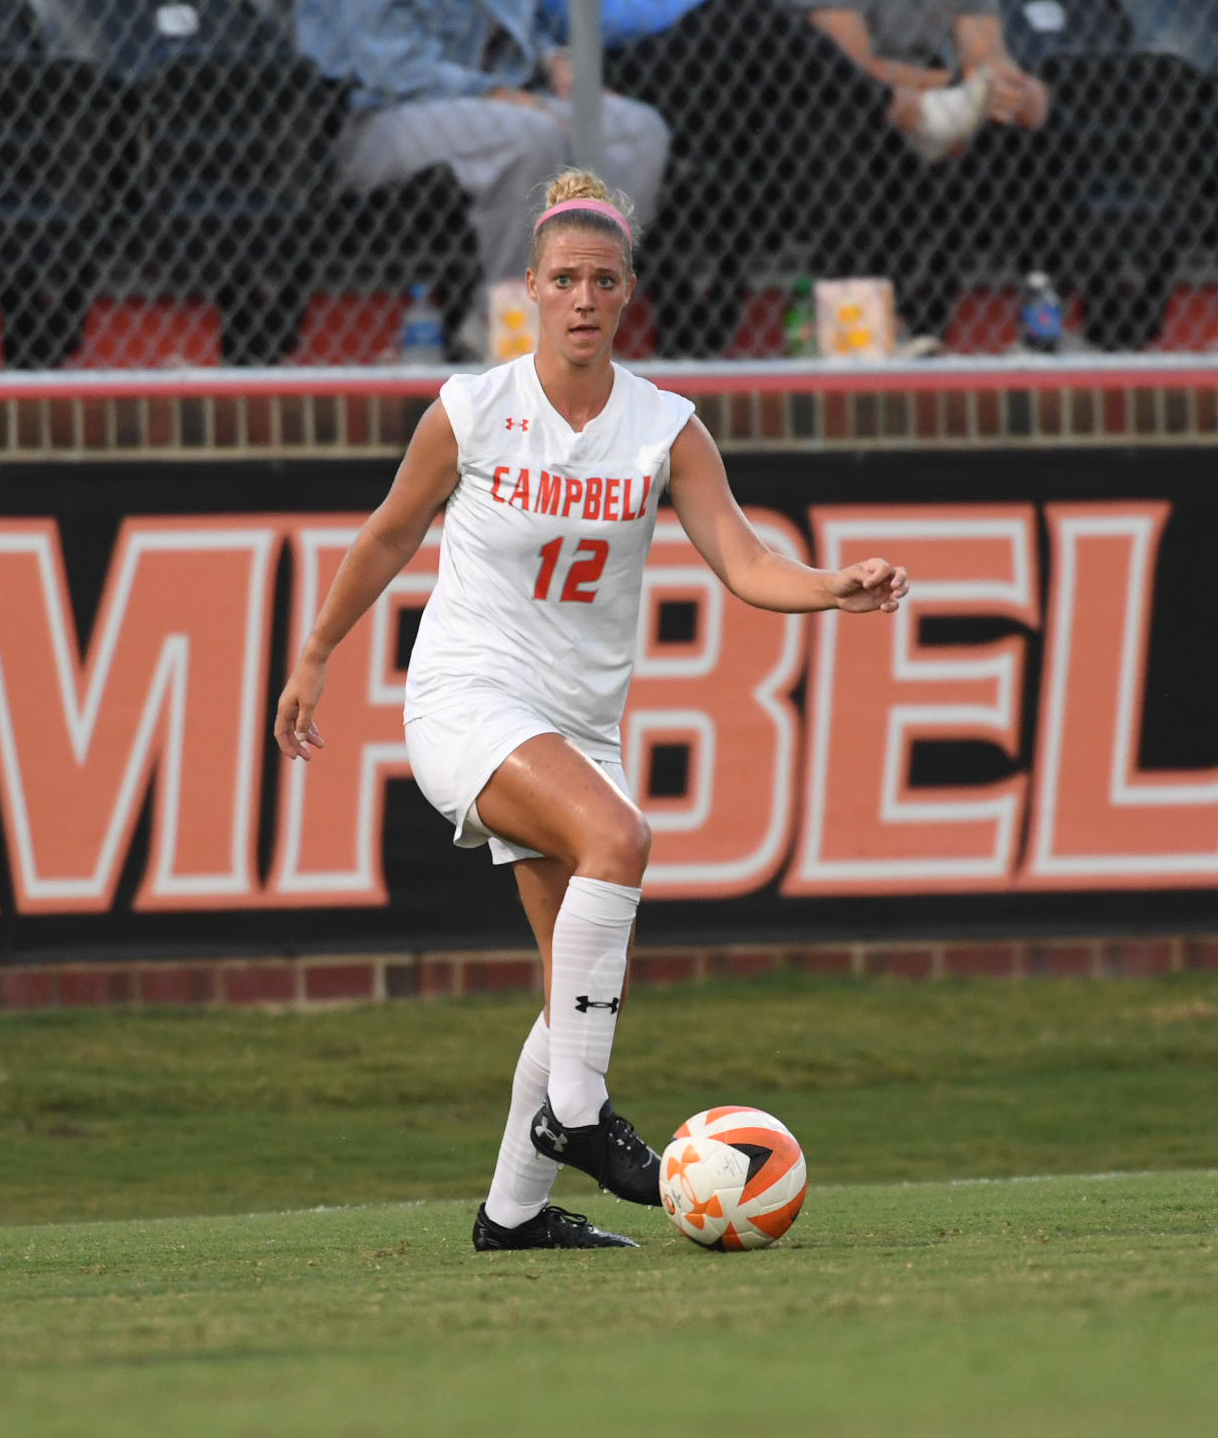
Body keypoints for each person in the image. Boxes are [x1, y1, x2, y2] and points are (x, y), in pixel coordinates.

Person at [273, 169, 907, 1250]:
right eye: (562, 278)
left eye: (601, 280)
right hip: (467, 700)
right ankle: (580, 1120)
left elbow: (746, 558)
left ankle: (513, 1214)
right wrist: (317, 652)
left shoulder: (664, 428)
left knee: (567, 988)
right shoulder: (473, 410)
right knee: (621, 836)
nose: (581, 297)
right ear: (528, 289)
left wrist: (832, 589)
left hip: (575, 729)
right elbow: (387, 532)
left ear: (626, 295)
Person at [539, 0, 975, 356]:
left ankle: (858, 320)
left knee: (823, 121)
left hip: (723, 71)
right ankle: (908, 111)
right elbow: (581, 20)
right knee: (747, 17)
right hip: (623, 64)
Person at [295, 0, 672, 358]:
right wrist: (492, 93)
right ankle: (515, 330)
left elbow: (520, 28)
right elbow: (388, 66)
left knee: (637, 131)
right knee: (528, 136)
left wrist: (553, 58)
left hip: (503, 101)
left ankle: (577, 320)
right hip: (380, 114)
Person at [799, 0, 1052, 351]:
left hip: (939, 98)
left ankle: (1033, 314)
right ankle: (859, 331)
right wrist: (951, 88)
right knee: (838, 133)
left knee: (1024, 128)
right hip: (846, 106)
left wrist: (1015, 89)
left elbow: (983, 59)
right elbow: (849, 67)